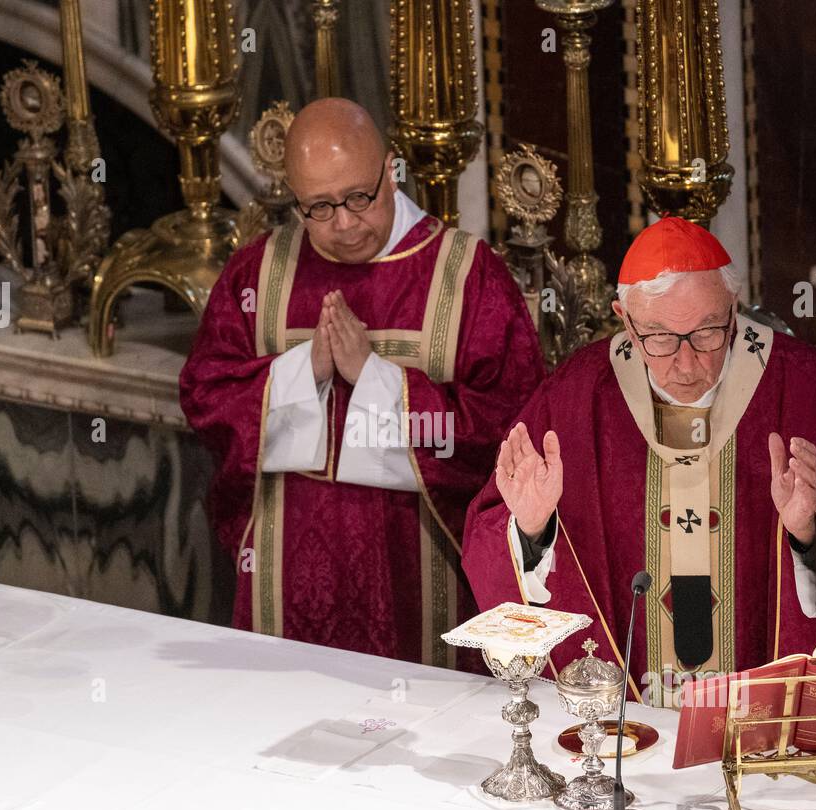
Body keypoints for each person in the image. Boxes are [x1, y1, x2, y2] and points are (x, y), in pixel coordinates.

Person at [180, 98, 544, 666]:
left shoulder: (466, 276)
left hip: (424, 576)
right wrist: (305, 373)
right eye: (318, 207)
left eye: (359, 197)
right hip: (287, 583)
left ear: (390, 169)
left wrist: (372, 378)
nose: (344, 224)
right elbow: (206, 400)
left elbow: (510, 428)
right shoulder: (258, 274)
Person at [462, 216, 816, 704]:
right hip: (624, 724)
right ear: (624, 318)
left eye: (708, 333)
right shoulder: (577, 395)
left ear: (733, 310)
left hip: (764, 718)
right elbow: (489, 537)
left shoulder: (805, 387)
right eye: (660, 338)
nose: (687, 363)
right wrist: (531, 526)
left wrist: (809, 532)